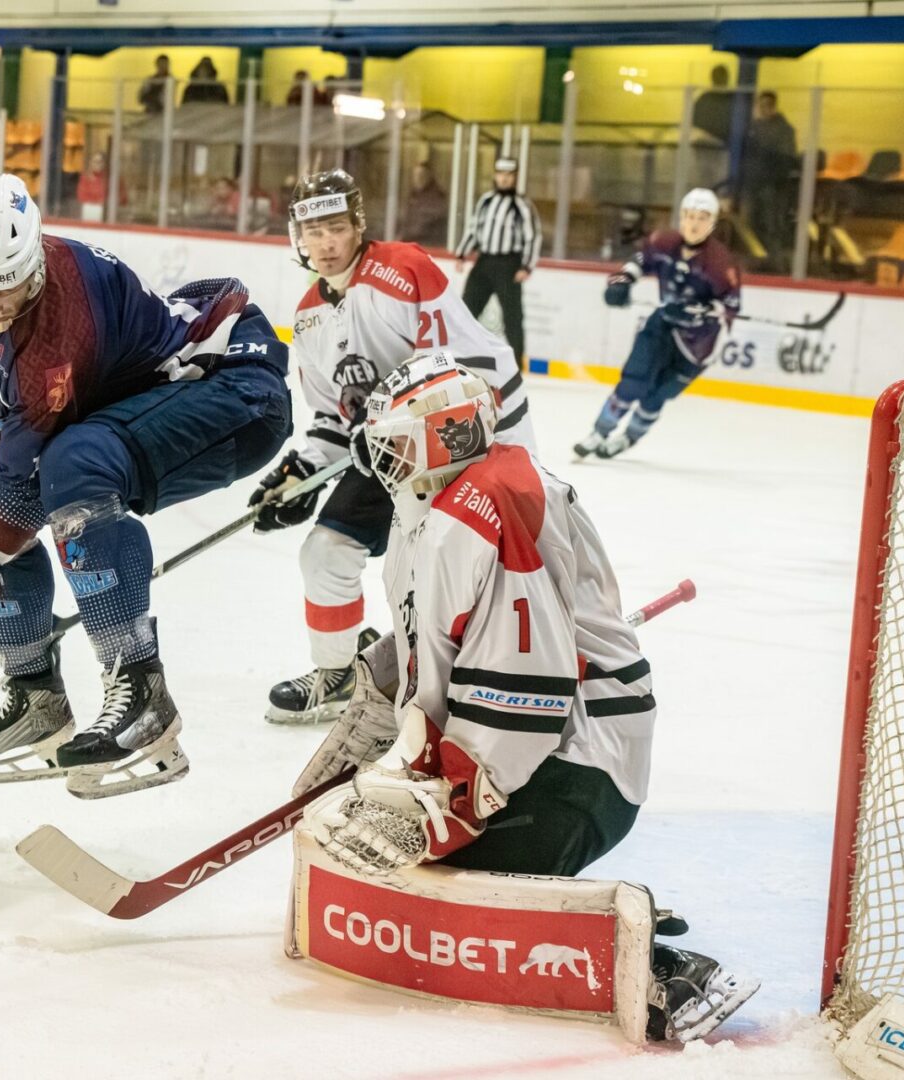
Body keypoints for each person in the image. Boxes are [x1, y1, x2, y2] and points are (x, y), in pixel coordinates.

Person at [294, 353, 760, 1043]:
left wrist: (454, 800)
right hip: (525, 751)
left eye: (397, 443)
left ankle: (663, 967)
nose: (384, 459)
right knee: (375, 857)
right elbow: (444, 634)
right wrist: (392, 702)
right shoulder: (433, 503)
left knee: (435, 881)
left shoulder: (492, 502)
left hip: (574, 762)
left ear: (447, 435)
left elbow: (524, 688)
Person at [0, 174, 291, 799]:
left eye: (9, 285)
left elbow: (24, 484)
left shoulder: (59, 316)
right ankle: (33, 695)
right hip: (136, 401)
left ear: (34, 260)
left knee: (71, 464)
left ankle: (142, 691)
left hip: (232, 386)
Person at [251, 169, 534, 725]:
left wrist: (381, 418)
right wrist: (300, 471)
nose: (325, 243)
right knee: (325, 553)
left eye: (336, 228)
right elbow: (335, 422)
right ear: (296, 237)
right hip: (397, 455)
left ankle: (498, 671)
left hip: (473, 441)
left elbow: (455, 371)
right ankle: (337, 674)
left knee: (461, 570)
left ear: (358, 226)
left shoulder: (403, 269)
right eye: (313, 232)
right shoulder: (308, 317)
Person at [574, 188, 741, 460]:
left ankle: (629, 437)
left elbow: (730, 307)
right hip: (663, 323)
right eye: (689, 216)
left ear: (712, 223)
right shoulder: (665, 242)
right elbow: (638, 260)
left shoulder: (721, 264)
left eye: (702, 218)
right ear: (681, 217)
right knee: (633, 380)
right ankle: (600, 431)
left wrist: (702, 313)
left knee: (656, 395)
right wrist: (621, 283)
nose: (694, 224)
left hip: (698, 345)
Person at [455, 156, 542, 368]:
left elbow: (533, 237)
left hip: (508, 264)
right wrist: (462, 253)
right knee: (466, 311)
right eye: (501, 174)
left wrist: (526, 266)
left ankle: (516, 365)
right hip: (484, 261)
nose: (504, 179)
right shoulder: (486, 201)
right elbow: (474, 229)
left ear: (515, 177)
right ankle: (458, 356)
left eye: (509, 175)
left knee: (512, 317)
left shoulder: (522, 205)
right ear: (495, 175)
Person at [741, 91, 797, 271]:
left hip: (772, 185)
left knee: (772, 226)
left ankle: (774, 265)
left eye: (767, 106)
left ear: (773, 107)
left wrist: (773, 178)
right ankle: (757, 262)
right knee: (752, 225)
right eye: (761, 106)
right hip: (754, 183)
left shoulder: (783, 130)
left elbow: (786, 158)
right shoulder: (754, 127)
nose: (763, 109)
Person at [396, 160, 448, 248]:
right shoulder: (413, 195)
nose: (418, 178)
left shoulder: (436, 197)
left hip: (427, 245)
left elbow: (423, 224)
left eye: (421, 175)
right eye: (415, 175)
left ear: (429, 176)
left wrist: (404, 236)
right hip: (411, 243)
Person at [690, 65, 734, 147]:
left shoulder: (733, 99)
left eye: (721, 77)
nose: (720, 79)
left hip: (724, 145)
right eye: (718, 77)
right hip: (708, 144)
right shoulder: (704, 99)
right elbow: (694, 122)